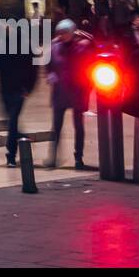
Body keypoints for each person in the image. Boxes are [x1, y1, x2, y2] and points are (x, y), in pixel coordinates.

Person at [0, 32, 39, 166]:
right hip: (5, 90)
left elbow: (34, 69)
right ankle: (22, 137)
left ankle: (11, 155)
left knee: (12, 121)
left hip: (19, 91)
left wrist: (28, 88)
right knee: (8, 120)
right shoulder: (2, 47)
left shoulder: (26, 48)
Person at [45, 19, 92, 169]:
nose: (62, 35)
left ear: (72, 33)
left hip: (76, 92)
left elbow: (93, 54)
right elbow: (48, 63)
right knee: (56, 126)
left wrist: (88, 37)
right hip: (60, 92)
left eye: (65, 32)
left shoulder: (80, 47)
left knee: (78, 126)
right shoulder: (54, 46)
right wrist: (50, 74)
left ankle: (78, 157)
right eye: (60, 33)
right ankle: (53, 156)